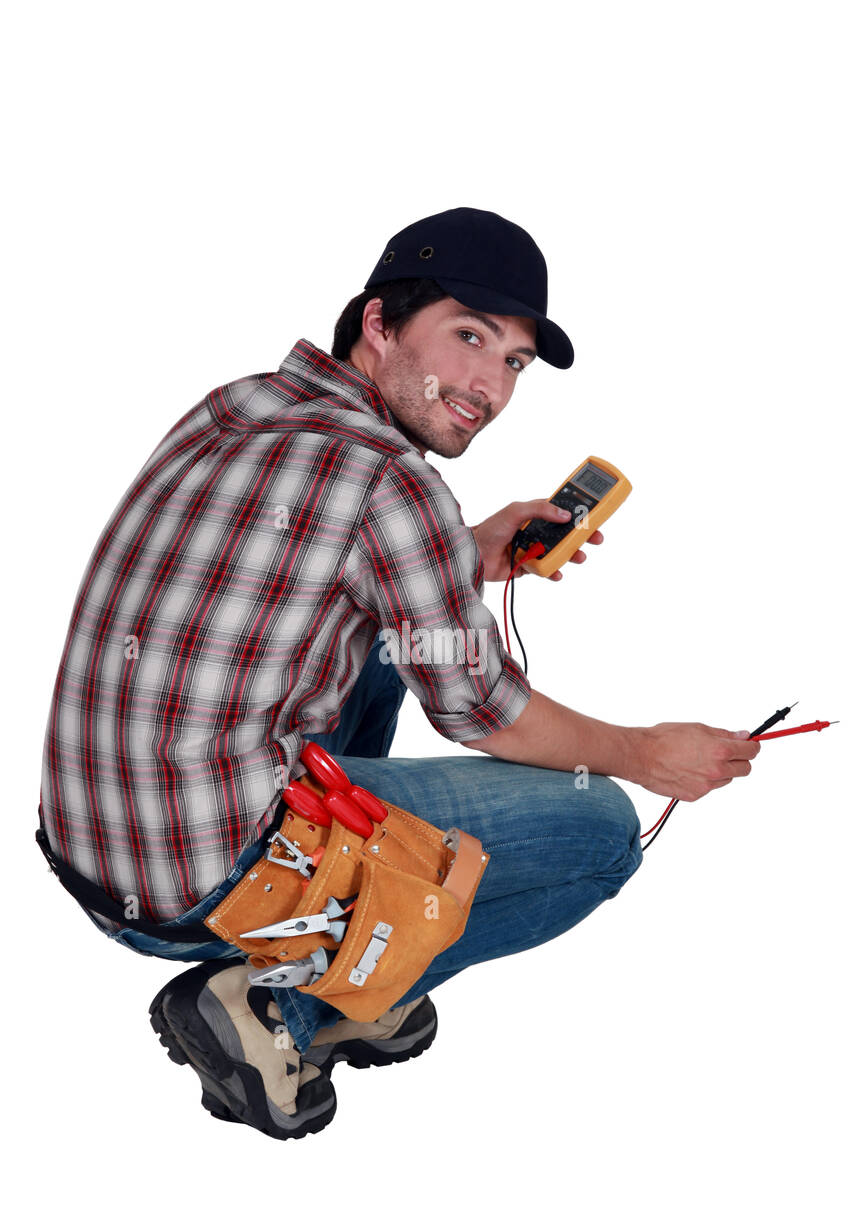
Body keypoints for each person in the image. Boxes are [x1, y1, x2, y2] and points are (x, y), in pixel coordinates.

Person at [36, 207, 760, 1140]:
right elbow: (483, 714)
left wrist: (453, 554)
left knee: (386, 629)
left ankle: (319, 937)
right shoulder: (393, 482)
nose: (488, 387)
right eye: (469, 336)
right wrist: (645, 752)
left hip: (96, 850)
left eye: (513, 363)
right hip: (202, 891)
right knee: (601, 829)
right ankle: (281, 1000)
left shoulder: (244, 402)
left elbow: (285, 570)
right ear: (378, 322)